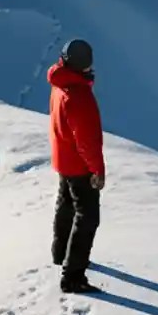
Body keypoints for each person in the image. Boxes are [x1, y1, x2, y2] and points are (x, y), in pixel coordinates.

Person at [48, 38, 105, 294]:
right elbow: (87, 141)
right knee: (88, 216)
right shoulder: (79, 95)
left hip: (63, 158)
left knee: (66, 205)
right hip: (79, 165)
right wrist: (97, 170)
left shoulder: (60, 84)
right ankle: (72, 276)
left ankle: (61, 253)